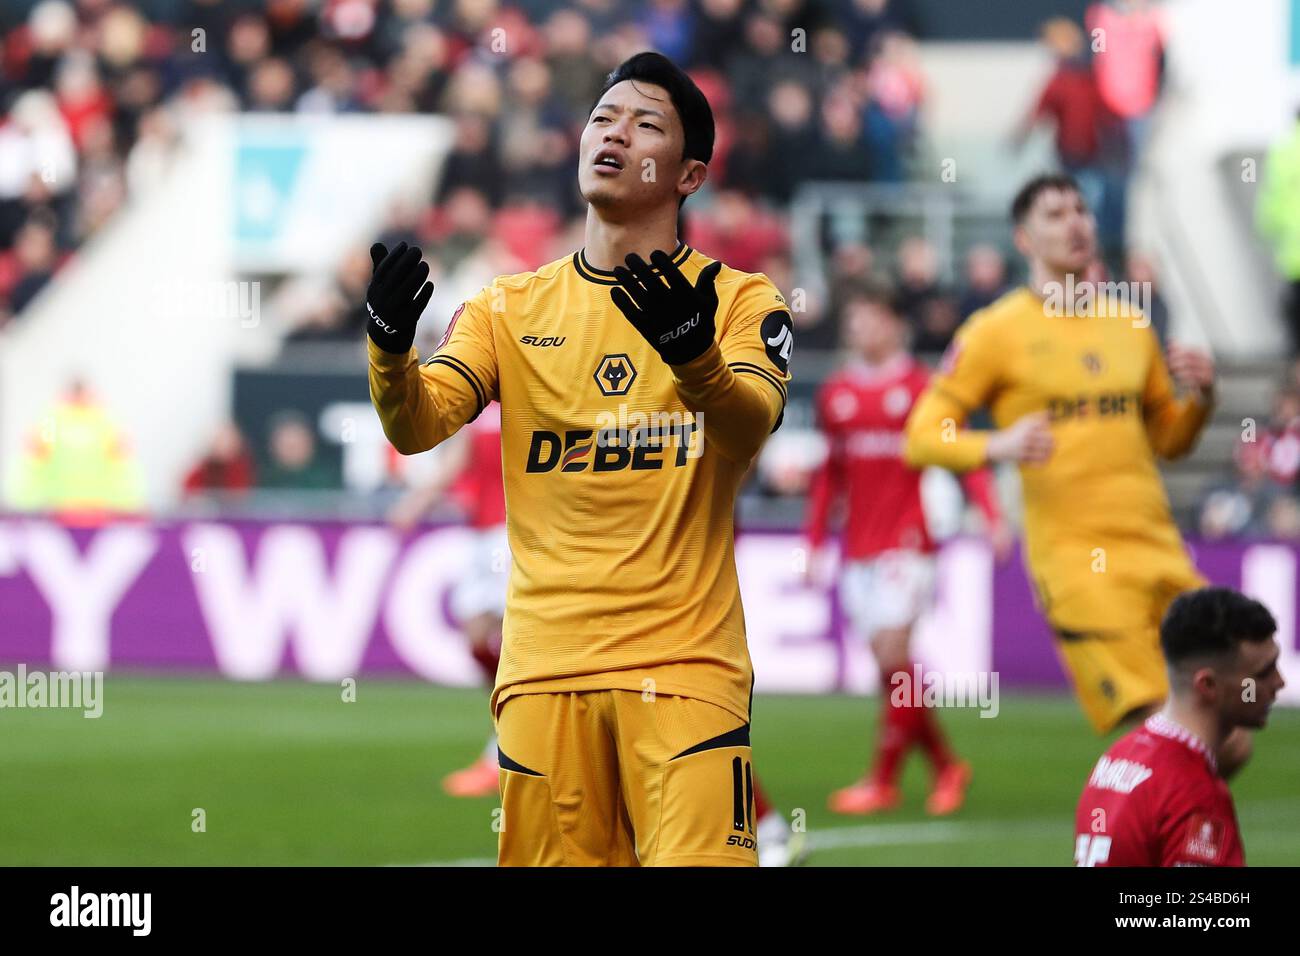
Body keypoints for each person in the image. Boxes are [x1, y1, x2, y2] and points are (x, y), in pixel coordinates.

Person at [365, 52, 793, 867]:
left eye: (645, 124)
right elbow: (419, 425)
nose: (614, 131)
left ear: (689, 173)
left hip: (684, 670)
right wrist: (388, 350)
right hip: (541, 678)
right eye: (603, 117)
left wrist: (693, 355)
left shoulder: (740, 302)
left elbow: (748, 430)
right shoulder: (506, 306)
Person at [902, 174, 1253, 775]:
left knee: (1232, 736)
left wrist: (1203, 398)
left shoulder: (1130, 325)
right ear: (1023, 237)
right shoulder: (996, 331)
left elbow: (1168, 440)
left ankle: (1155, 832)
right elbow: (921, 435)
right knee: (1173, 732)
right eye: (1056, 213)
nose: (1075, 223)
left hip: (1157, 548)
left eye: (1081, 209)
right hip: (1078, 562)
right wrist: (997, 444)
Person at [805, 281, 1008, 816]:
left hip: (910, 540)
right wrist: (815, 542)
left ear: (895, 323)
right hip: (858, 551)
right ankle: (946, 765)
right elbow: (830, 475)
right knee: (891, 671)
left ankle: (882, 780)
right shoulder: (837, 393)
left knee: (895, 656)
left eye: (870, 318)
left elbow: (960, 451)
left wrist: (992, 515)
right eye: (855, 320)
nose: (858, 329)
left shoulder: (923, 388)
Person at [1074, 587, 1284, 866]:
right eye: (1262, 674)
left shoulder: (1116, 761)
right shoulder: (1195, 795)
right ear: (1208, 685)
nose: (1279, 683)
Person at [387, 402, 507, 799]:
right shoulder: (482, 401)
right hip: (480, 532)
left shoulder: (534, 387)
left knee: (512, 644)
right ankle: (510, 737)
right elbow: (458, 458)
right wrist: (418, 501)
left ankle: (503, 754)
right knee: (476, 637)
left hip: (517, 531)